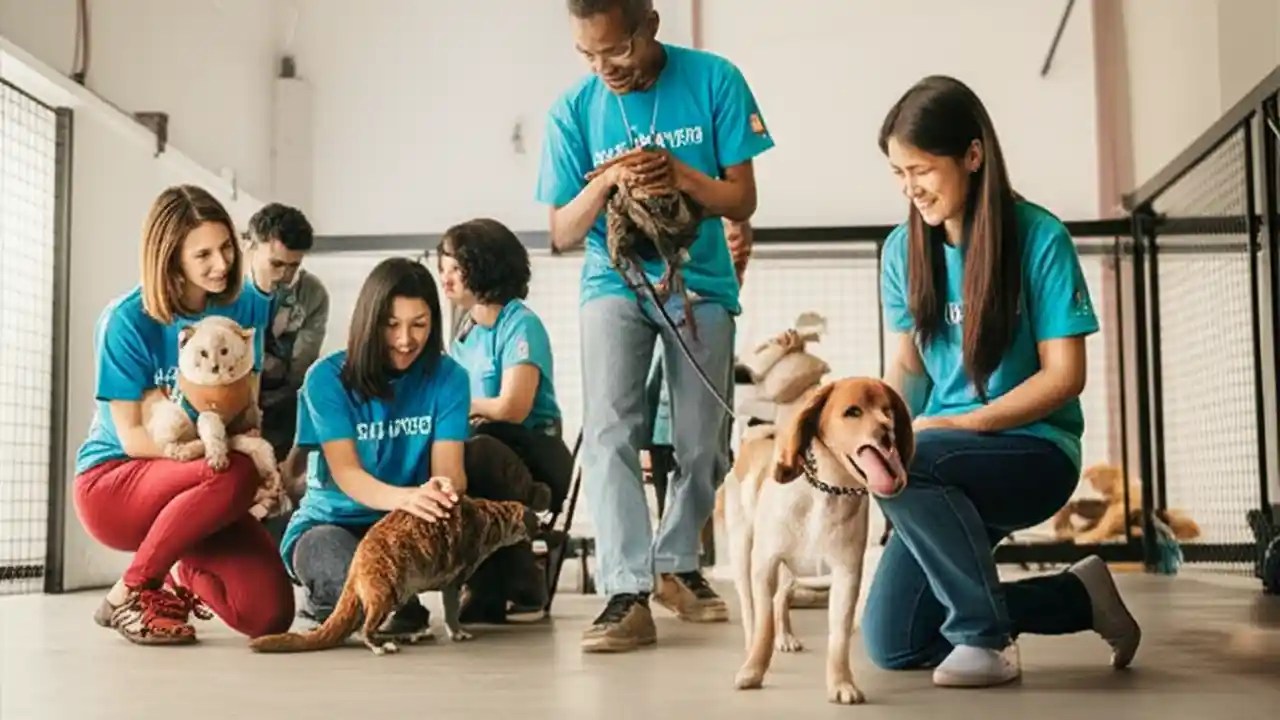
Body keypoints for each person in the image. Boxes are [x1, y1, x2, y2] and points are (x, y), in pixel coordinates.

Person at [866, 75, 1141, 688]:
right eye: (898, 173)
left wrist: (958, 423)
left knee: (917, 457)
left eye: (922, 169)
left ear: (972, 154)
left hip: (1032, 452)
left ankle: (984, 640)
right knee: (894, 643)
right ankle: (1078, 598)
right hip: (940, 455)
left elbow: (1065, 377)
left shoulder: (1039, 237)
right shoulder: (899, 252)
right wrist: (875, 432)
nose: (911, 189)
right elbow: (907, 369)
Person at [536, 0, 774, 652]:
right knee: (613, 428)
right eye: (587, 54)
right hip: (612, 280)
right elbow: (560, 231)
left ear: (650, 27)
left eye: (614, 50)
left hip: (700, 282)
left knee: (704, 442)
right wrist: (610, 177)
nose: (602, 66)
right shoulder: (572, 111)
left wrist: (678, 174)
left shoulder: (714, 78)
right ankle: (625, 591)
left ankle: (674, 563)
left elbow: (743, 198)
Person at [72, 184, 294, 645]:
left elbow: (243, 410)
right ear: (170, 257)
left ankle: (178, 571)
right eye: (204, 255)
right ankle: (131, 591)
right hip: (117, 482)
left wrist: (261, 471)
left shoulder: (245, 305)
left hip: (203, 482)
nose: (223, 264)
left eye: (227, 247)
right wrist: (234, 456)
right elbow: (132, 438)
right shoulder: (126, 321)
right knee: (230, 469)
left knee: (268, 615)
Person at [279, 257, 470, 636]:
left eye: (419, 325)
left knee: (387, 592)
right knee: (358, 583)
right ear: (370, 321)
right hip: (328, 525)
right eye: (391, 325)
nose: (405, 340)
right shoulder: (326, 379)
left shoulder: (449, 377)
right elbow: (347, 473)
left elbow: (450, 471)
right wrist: (408, 497)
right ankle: (333, 600)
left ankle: (395, 601)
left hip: (401, 526)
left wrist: (441, 490)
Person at [436, 217, 574, 620]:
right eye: (443, 267)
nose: (445, 278)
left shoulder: (520, 323)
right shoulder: (464, 333)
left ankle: (527, 523)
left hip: (536, 456)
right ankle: (491, 584)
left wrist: (463, 408)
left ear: (484, 266)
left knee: (476, 452)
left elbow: (513, 407)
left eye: (455, 268)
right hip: (485, 447)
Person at [242, 202, 329, 466]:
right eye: (276, 263)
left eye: (294, 265)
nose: (284, 274)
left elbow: (299, 371)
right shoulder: (228, 292)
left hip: (284, 410)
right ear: (250, 248)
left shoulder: (313, 294)